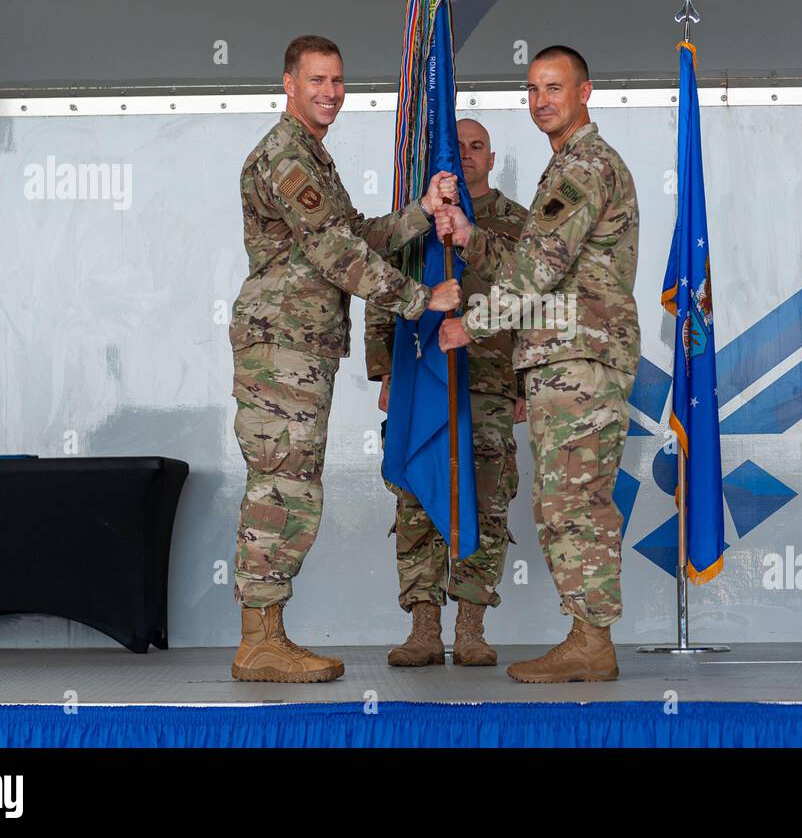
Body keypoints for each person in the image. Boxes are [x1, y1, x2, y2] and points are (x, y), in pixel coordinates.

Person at [229, 34, 461, 683]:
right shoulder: (286, 156)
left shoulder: (311, 155)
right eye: (317, 80)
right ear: (289, 84)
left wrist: (421, 212)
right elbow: (339, 257)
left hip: (301, 348)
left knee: (292, 488)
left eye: (338, 80)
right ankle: (258, 642)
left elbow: (354, 234)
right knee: (281, 487)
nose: (330, 92)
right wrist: (422, 298)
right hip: (281, 348)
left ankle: (268, 635)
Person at [438, 46, 640, 682]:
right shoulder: (567, 167)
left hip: (580, 360)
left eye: (554, 88)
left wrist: (468, 326)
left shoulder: (584, 166)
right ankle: (586, 635)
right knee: (562, 503)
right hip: (565, 360)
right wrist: (473, 240)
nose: (541, 100)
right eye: (532, 89)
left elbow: (538, 272)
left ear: (585, 93)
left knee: (574, 504)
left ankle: (591, 641)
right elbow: (546, 263)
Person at [366, 119, 529, 667]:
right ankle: (423, 627)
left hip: (489, 381)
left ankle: (472, 627)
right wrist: (385, 370)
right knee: (417, 494)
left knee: (487, 500)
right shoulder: (414, 223)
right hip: (421, 376)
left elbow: (534, 301)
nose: (466, 156)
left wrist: (525, 381)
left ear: (491, 156)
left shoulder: (516, 221)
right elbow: (381, 294)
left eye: (476, 147)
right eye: (455, 148)